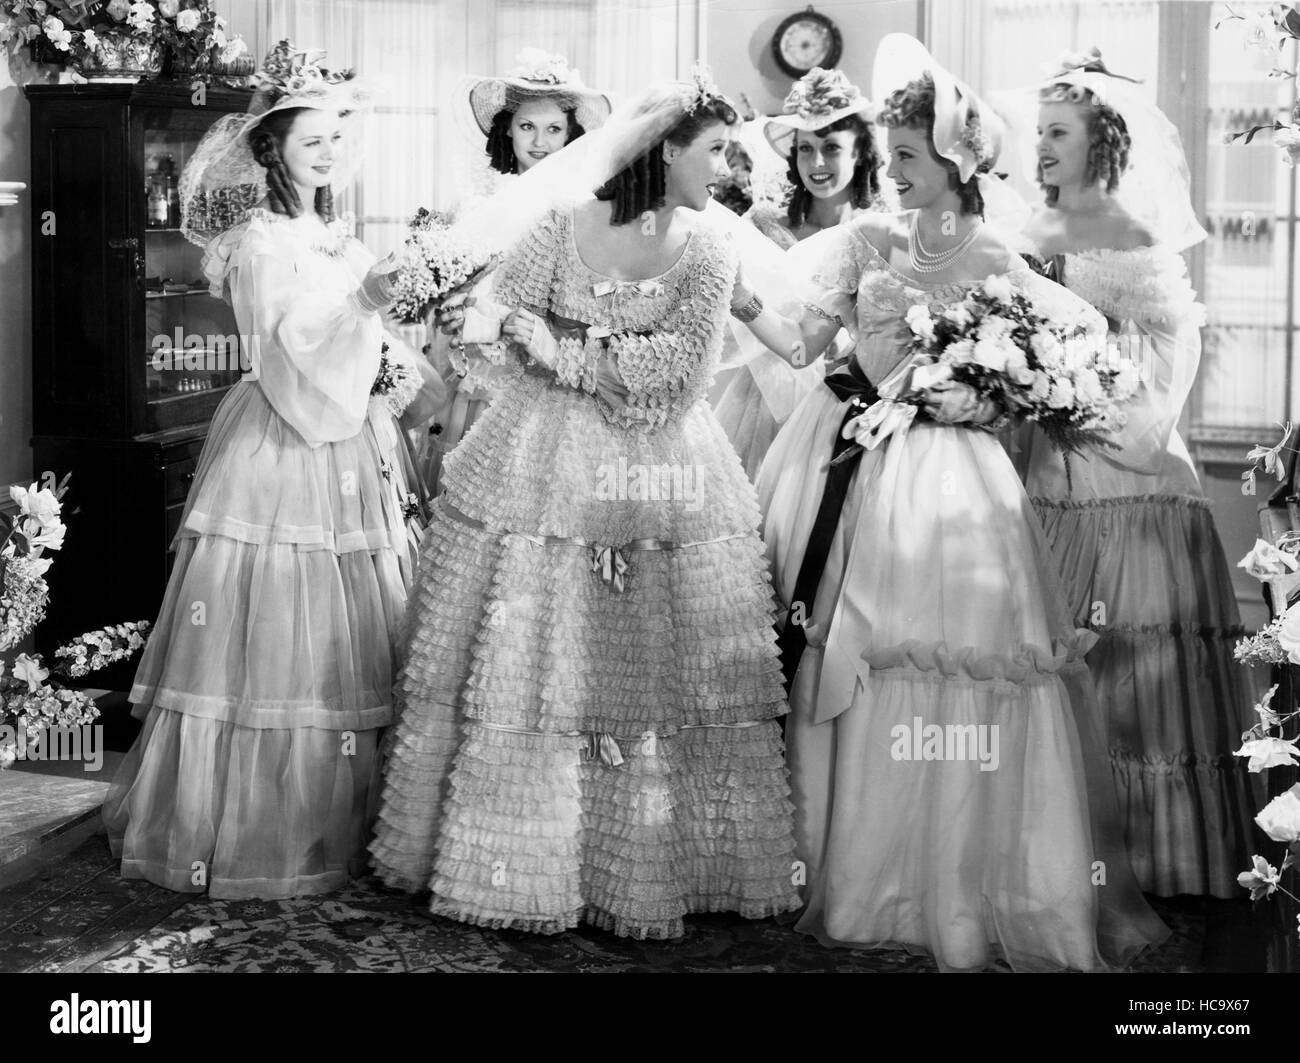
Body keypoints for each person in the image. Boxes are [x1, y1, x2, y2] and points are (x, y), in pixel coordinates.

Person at [737, 34, 1168, 971]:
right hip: (857, 461)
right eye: (887, 158)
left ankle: (980, 880)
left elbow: (1065, 375)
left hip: (960, 484)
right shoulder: (864, 240)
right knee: (855, 647)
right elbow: (806, 342)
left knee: (968, 661)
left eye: (905, 158)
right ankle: (861, 875)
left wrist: (986, 395)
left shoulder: (1006, 256)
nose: (889, 175)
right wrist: (738, 302)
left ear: (959, 162)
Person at [369, 73, 802, 939]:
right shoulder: (560, 228)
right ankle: (530, 858)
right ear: (663, 150)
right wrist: (536, 339)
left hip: (662, 472)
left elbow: (678, 379)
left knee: (642, 655)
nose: (727, 166)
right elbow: (489, 318)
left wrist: (564, 350)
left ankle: (655, 859)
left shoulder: (713, 250)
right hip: (540, 456)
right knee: (537, 649)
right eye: (714, 149)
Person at [102, 42, 442, 899]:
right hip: (284, 440)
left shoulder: (334, 234)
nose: (328, 154)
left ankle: (354, 819)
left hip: (347, 442)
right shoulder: (258, 242)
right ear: (271, 150)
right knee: (269, 629)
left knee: (346, 624)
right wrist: (363, 311)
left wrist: (394, 352)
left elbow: (366, 338)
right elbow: (285, 348)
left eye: (336, 140)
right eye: (310, 141)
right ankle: (261, 831)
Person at [1013, 49, 1260, 898]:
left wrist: (1100, 406)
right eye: (1039, 130)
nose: (1040, 144)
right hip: (1046, 461)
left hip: (1131, 476)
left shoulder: (1129, 234)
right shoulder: (1030, 227)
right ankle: (1055, 849)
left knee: (1123, 663)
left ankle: (1147, 859)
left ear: (1102, 141)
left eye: (1058, 131)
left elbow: (1172, 350)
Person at [417, 50, 613, 495]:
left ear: (571, 134)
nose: (539, 142)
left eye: (553, 129)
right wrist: (455, 313)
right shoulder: (476, 204)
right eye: (527, 127)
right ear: (508, 129)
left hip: (549, 356)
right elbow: (453, 285)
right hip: (483, 359)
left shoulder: (583, 208)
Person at [713, 68, 884, 479]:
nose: (817, 163)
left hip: (853, 400)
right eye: (805, 149)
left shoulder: (882, 231)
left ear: (859, 151)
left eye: (831, 148)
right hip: (767, 399)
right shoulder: (766, 223)